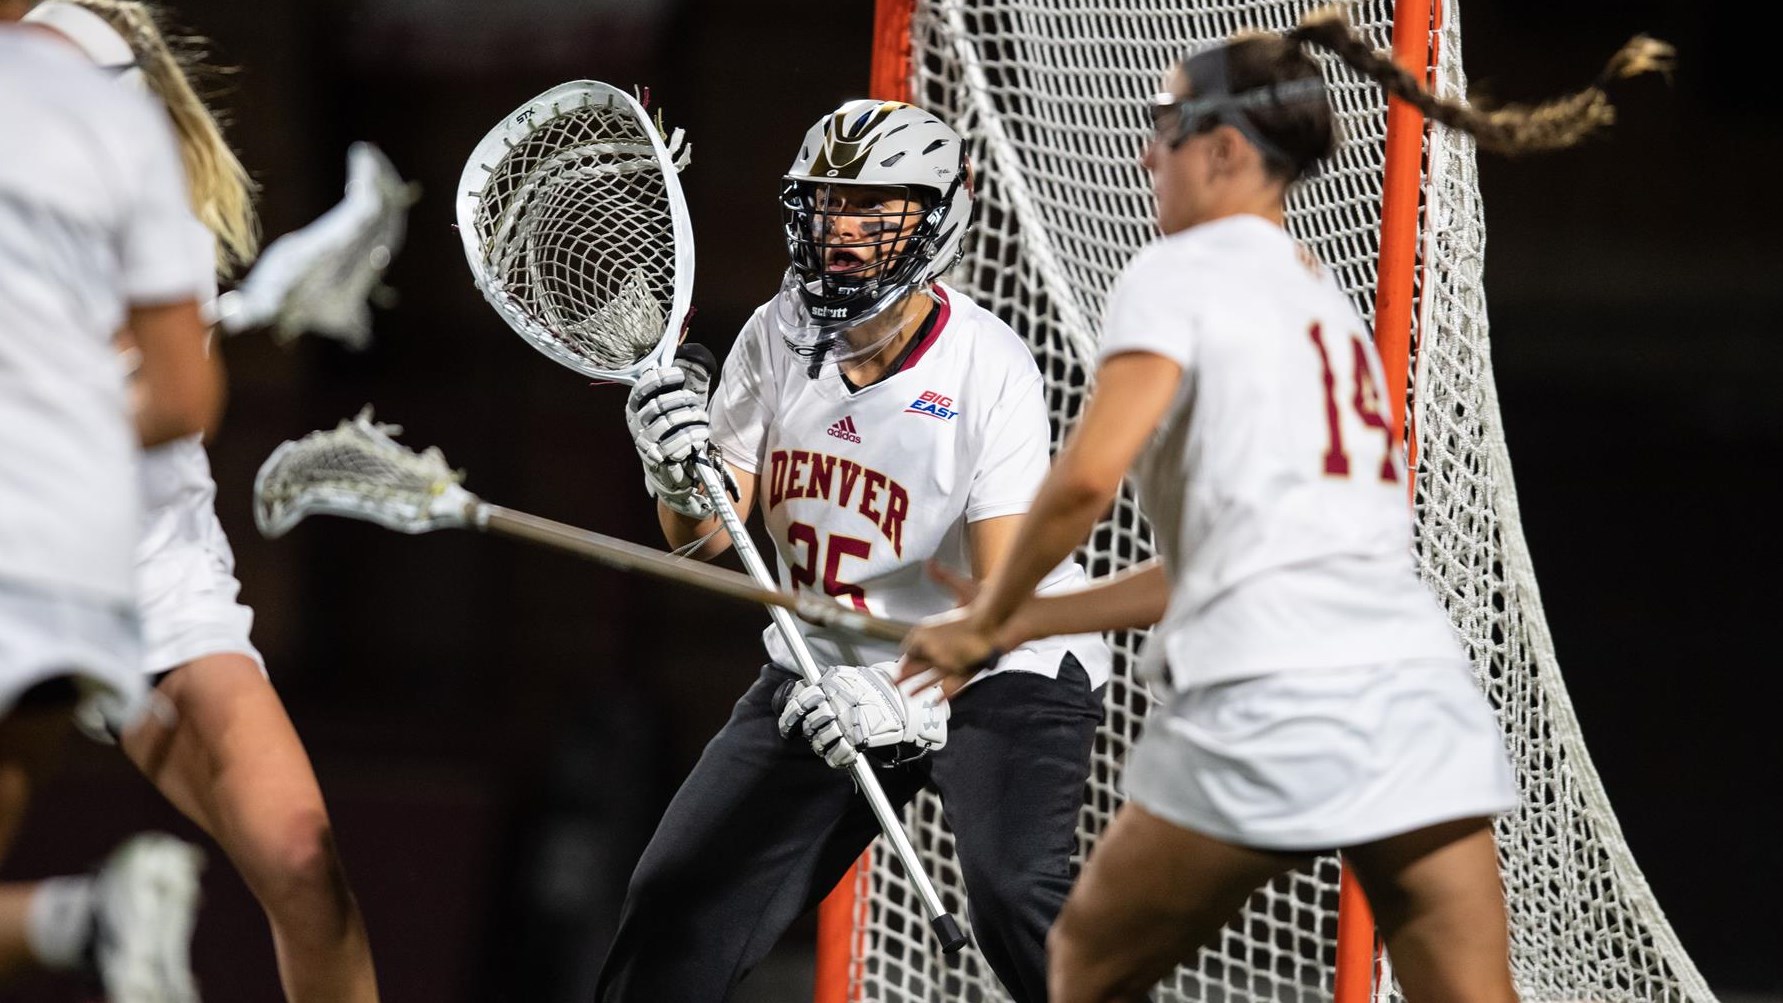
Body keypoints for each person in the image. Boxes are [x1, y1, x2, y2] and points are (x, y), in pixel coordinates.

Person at [897, 12, 1675, 1003]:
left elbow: (1086, 479)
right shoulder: (1320, 301)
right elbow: (1218, 559)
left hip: (1271, 696)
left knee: (1079, 972)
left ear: (1222, 150)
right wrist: (1033, 615)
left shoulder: (1179, 270)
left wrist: (991, 619)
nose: (1144, 153)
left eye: (1162, 123)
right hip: (1413, 699)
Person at [596, 99, 1112, 1002]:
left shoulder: (989, 369)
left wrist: (908, 689)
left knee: (1014, 892)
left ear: (939, 215)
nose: (841, 227)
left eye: (874, 206)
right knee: (679, 897)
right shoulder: (771, 339)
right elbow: (709, 537)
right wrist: (673, 471)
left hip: (997, 659)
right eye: (827, 201)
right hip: (828, 667)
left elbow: (1004, 591)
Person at [21, 3, 383, 1001]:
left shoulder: (101, 107)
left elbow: (173, 394)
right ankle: (81, 921)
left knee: (304, 863)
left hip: (147, 571)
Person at [0, 1, 222, 997]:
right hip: (73, 562)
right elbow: (183, 396)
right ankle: (82, 921)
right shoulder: (117, 121)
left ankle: (77, 919)